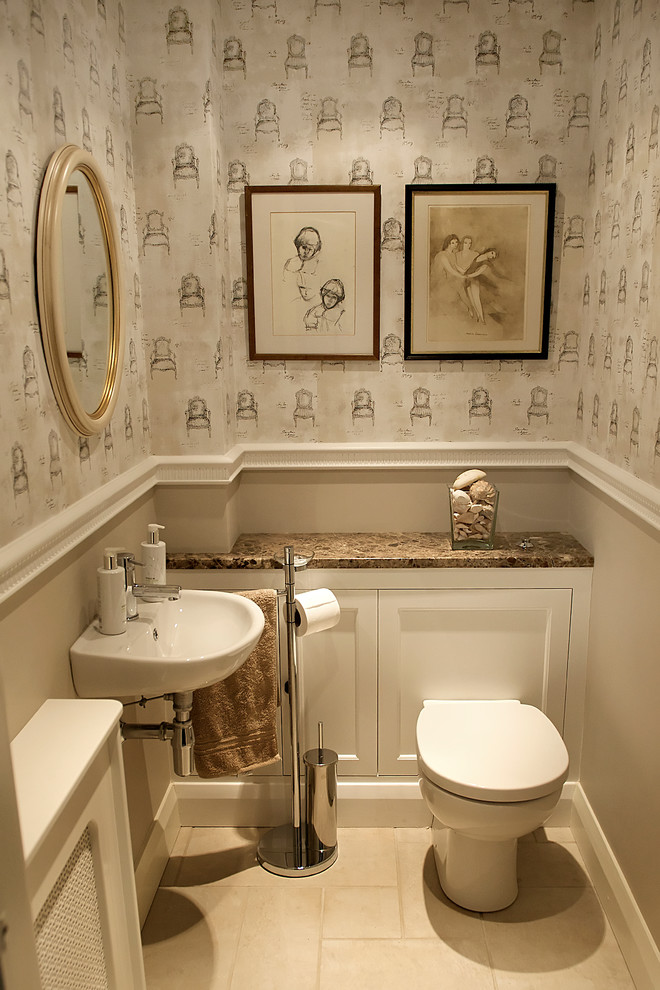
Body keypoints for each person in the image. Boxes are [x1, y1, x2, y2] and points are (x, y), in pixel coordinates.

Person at [283, 226, 322, 302]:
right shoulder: (291, 263)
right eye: (304, 247)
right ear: (298, 246)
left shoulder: (316, 265)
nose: (306, 252)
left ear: (315, 251)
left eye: (310, 249)